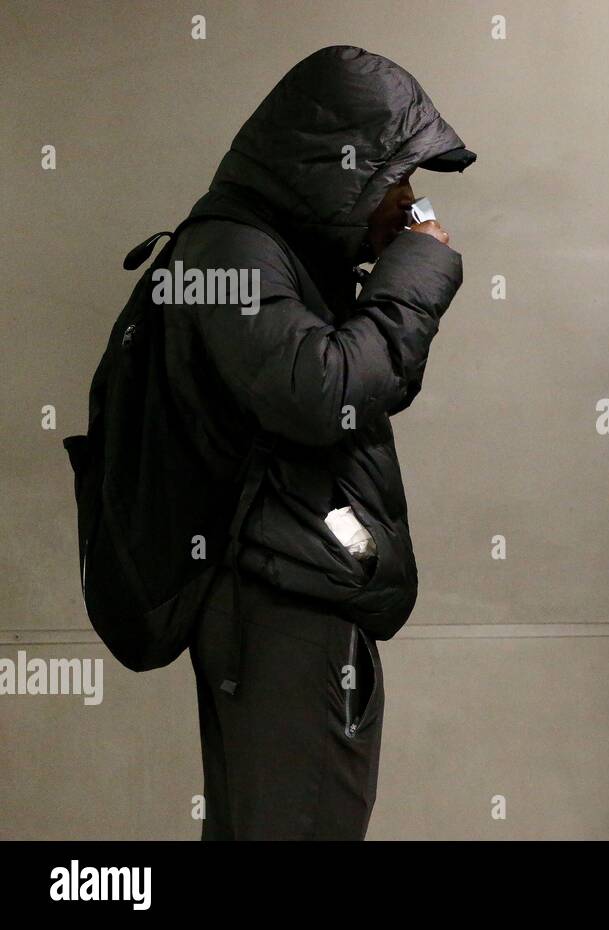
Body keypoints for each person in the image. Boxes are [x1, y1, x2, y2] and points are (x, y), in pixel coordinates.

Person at [165, 46, 474, 839]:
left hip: (283, 593)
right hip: (283, 612)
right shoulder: (232, 249)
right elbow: (325, 392)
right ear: (338, 169)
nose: (408, 204)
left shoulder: (269, 250)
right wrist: (419, 272)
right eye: (395, 180)